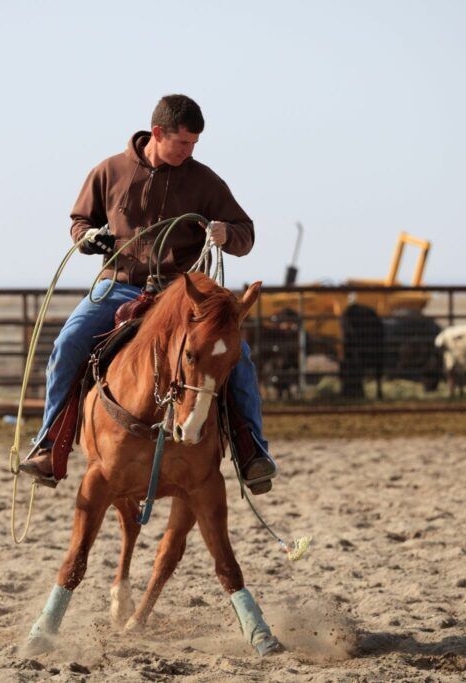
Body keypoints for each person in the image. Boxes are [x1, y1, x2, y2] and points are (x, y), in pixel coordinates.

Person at [19, 94, 276, 493]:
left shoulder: (205, 181)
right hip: (119, 287)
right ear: (158, 133)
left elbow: (245, 233)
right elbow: (80, 220)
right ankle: (50, 445)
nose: (189, 151)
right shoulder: (110, 171)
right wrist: (87, 237)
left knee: (235, 355)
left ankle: (251, 450)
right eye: (183, 143)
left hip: (183, 295)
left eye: (194, 144)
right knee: (69, 341)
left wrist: (227, 233)